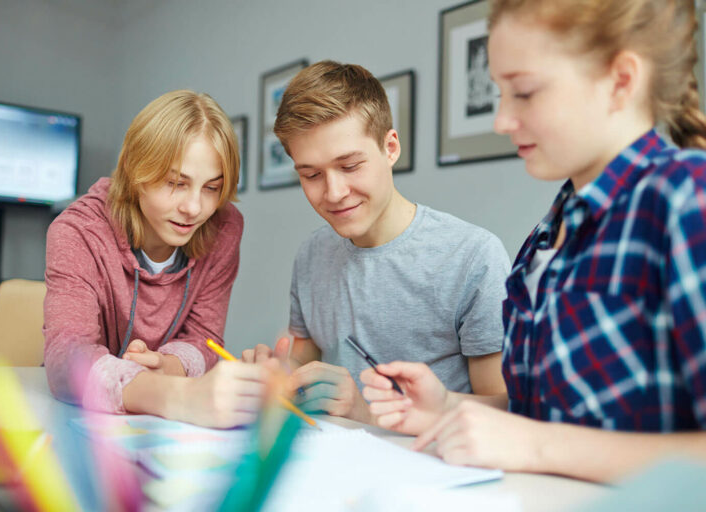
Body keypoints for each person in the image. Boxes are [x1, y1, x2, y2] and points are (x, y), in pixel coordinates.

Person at [362, 0, 706, 482]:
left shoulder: (687, 199)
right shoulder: (546, 237)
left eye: (523, 92)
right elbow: (550, 413)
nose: (501, 120)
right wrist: (447, 408)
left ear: (621, 80)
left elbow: (545, 441)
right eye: (500, 93)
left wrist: (537, 446)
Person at [242, 61, 511, 424]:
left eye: (350, 166)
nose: (334, 193)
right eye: (311, 175)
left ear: (390, 148)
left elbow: (504, 410)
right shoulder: (311, 255)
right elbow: (302, 361)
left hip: (430, 465)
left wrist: (364, 409)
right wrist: (277, 373)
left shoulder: (473, 257)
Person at [44, 90, 271, 428]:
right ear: (134, 171)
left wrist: (166, 366)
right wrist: (177, 396)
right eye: (176, 183)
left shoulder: (224, 227)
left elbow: (205, 338)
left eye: (211, 188)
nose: (194, 208)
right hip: (78, 424)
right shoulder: (77, 231)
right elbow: (67, 361)